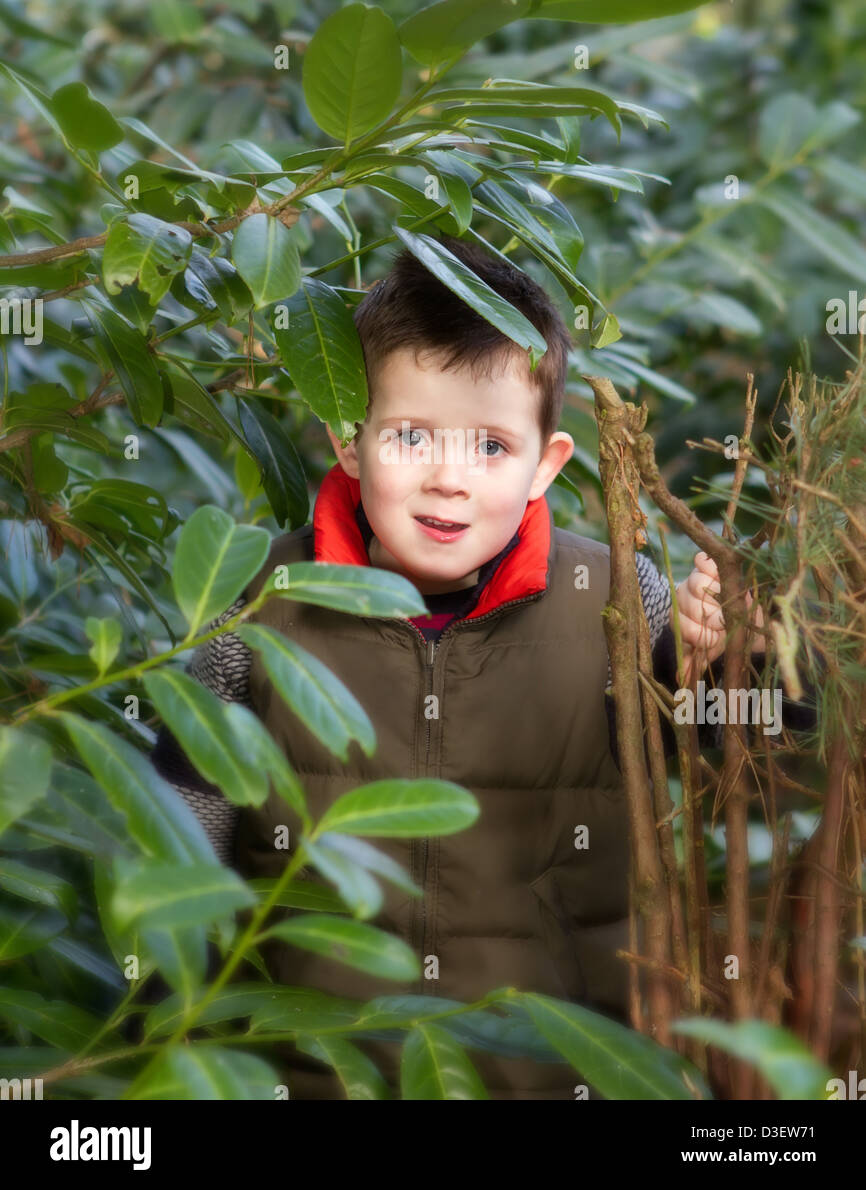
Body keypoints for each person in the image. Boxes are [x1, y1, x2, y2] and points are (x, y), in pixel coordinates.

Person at [151, 236, 795, 1100]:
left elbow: (726, 757)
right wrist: (164, 1042)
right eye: (411, 435)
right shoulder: (257, 598)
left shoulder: (613, 597)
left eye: (492, 446)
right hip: (309, 1074)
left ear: (546, 464)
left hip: (548, 1071)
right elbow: (179, 834)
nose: (449, 478)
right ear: (351, 442)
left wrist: (744, 663)